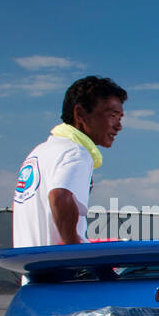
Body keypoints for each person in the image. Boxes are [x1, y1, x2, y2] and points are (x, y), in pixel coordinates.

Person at [13, 75, 126, 248]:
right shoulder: (76, 153)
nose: (118, 126)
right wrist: (74, 253)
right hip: (59, 271)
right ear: (80, 113)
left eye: (120, 118)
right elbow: (59, 196)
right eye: (113, 115)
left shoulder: (39, 152)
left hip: (32, 269)